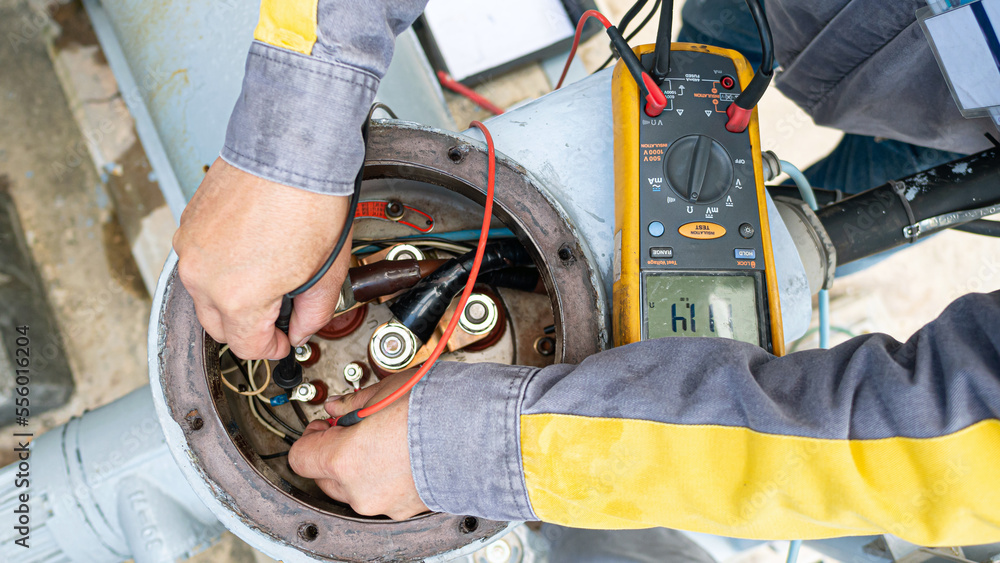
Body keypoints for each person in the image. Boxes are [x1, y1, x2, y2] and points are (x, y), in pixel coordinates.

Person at [172, 0, 1000, 553]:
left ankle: (815, 233)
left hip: (932, 87)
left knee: (848, 187)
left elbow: (952, 436)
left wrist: (484, 447)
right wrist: (293, 135)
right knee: (716, 115)